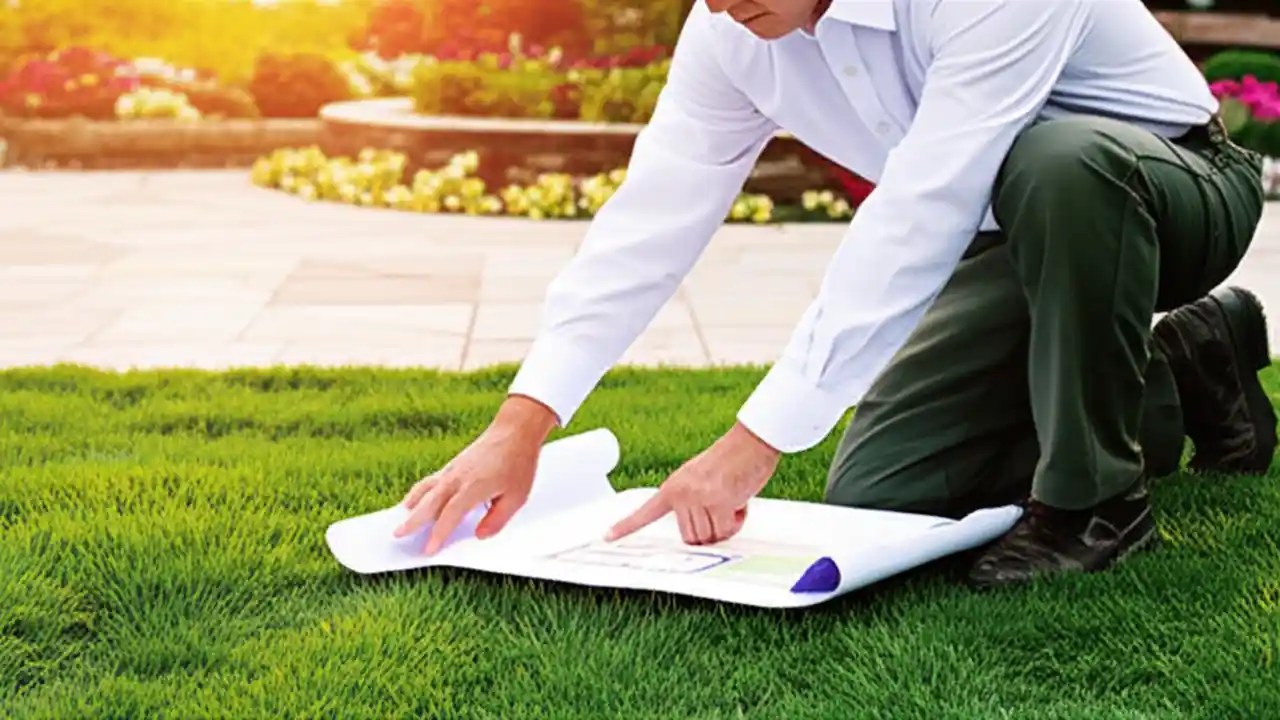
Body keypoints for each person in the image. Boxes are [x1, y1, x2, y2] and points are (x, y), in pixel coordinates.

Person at [394, 0, 1275, 588]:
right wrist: (520, 428)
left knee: (1060, 162)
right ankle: (1189, 366)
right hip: (1000, 241)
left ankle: (1097, 504)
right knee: (880, 492)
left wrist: (752, 442)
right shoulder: (730, 32)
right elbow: (648, 225)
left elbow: (924, 207)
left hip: (1173, 187)